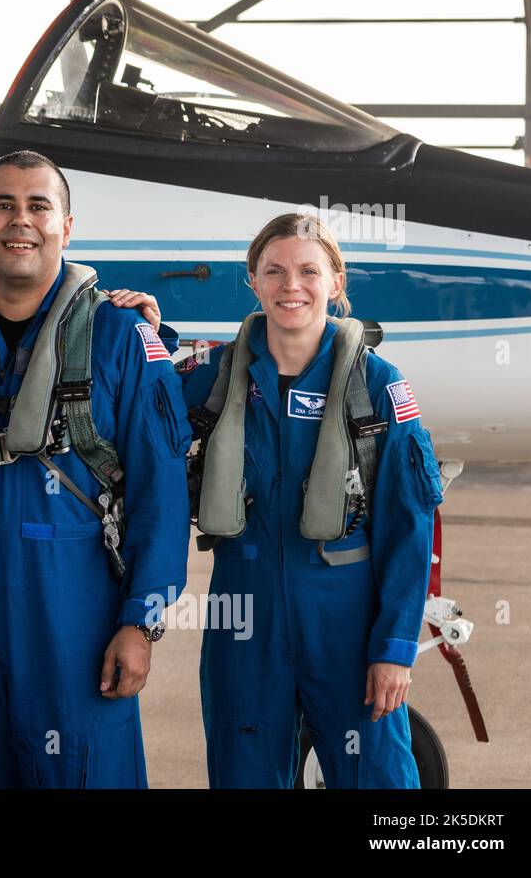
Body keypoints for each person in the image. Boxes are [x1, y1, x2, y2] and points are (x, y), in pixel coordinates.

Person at [0, 150, 191, 788]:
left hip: (72, 611)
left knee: (84, 769)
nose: (20, 221)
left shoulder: (120, 339)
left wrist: (141, 622)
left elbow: (162, 496)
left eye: (39, 206)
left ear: (67, 226)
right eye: (3, 205)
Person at [179, 212, 443, 788]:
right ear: (253, 281)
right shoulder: (213, 377)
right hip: (242, 616)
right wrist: (143, 329)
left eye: (308, 271)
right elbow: (138, 411)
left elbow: (410, 526)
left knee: (377, 777)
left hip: (346, 620)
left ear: (336, 282)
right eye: (274, 271)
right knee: (243, 775)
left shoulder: (377, 386)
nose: (290, 285)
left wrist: (395, 647)